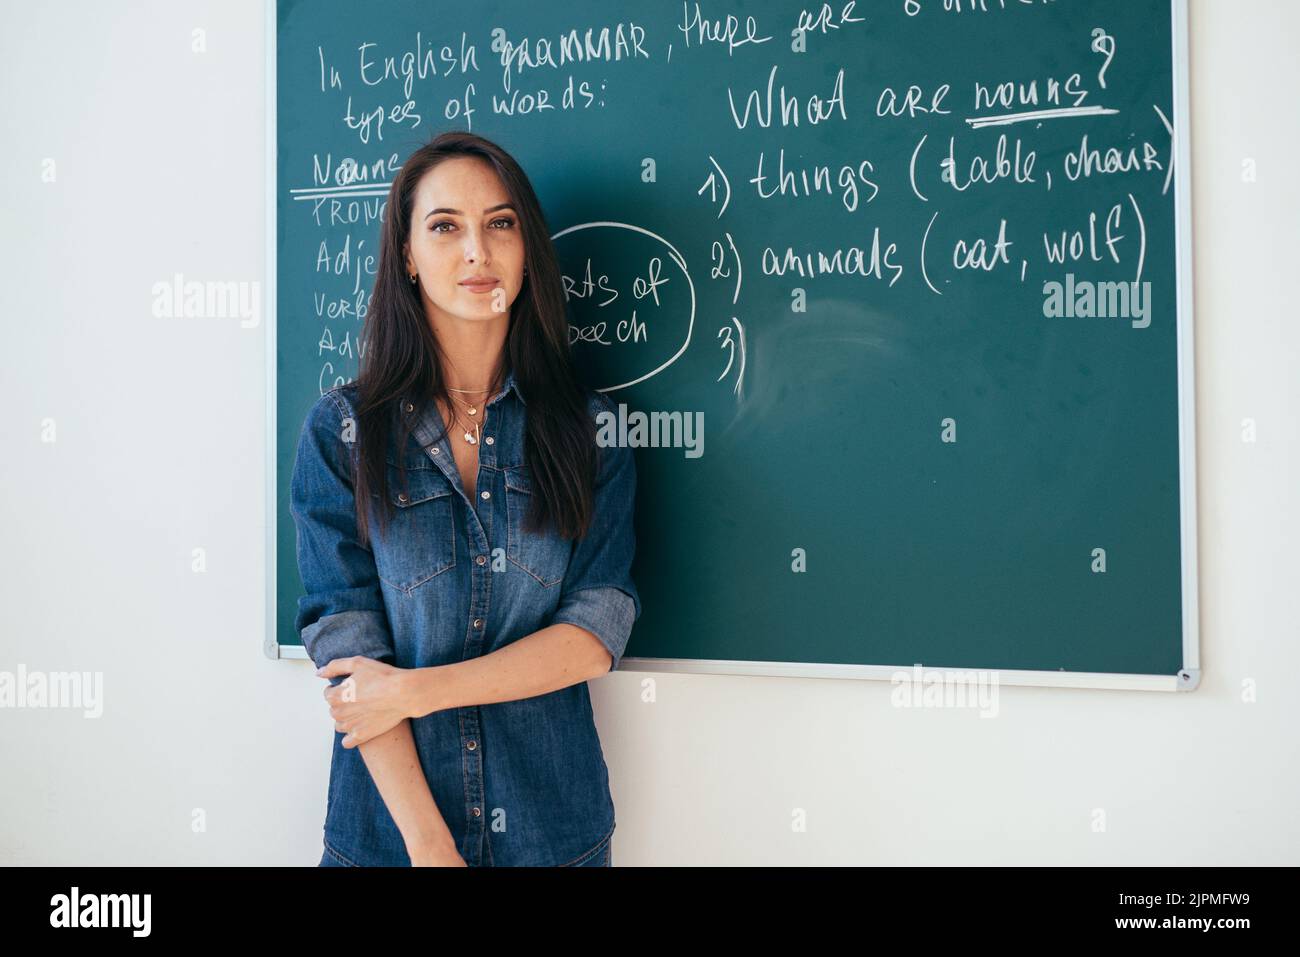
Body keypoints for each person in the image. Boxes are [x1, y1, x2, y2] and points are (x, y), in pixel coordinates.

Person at [289, 130, 640, 867]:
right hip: (389, 839)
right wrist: (428, 844)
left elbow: (594, 633)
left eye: (500, 224)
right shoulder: (342, 433)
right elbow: (352, 663)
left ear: (526, 250)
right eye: (445, 226)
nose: (477, 252)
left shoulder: (592, 429)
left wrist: (414, 690)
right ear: (408, 256)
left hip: (555, 837)